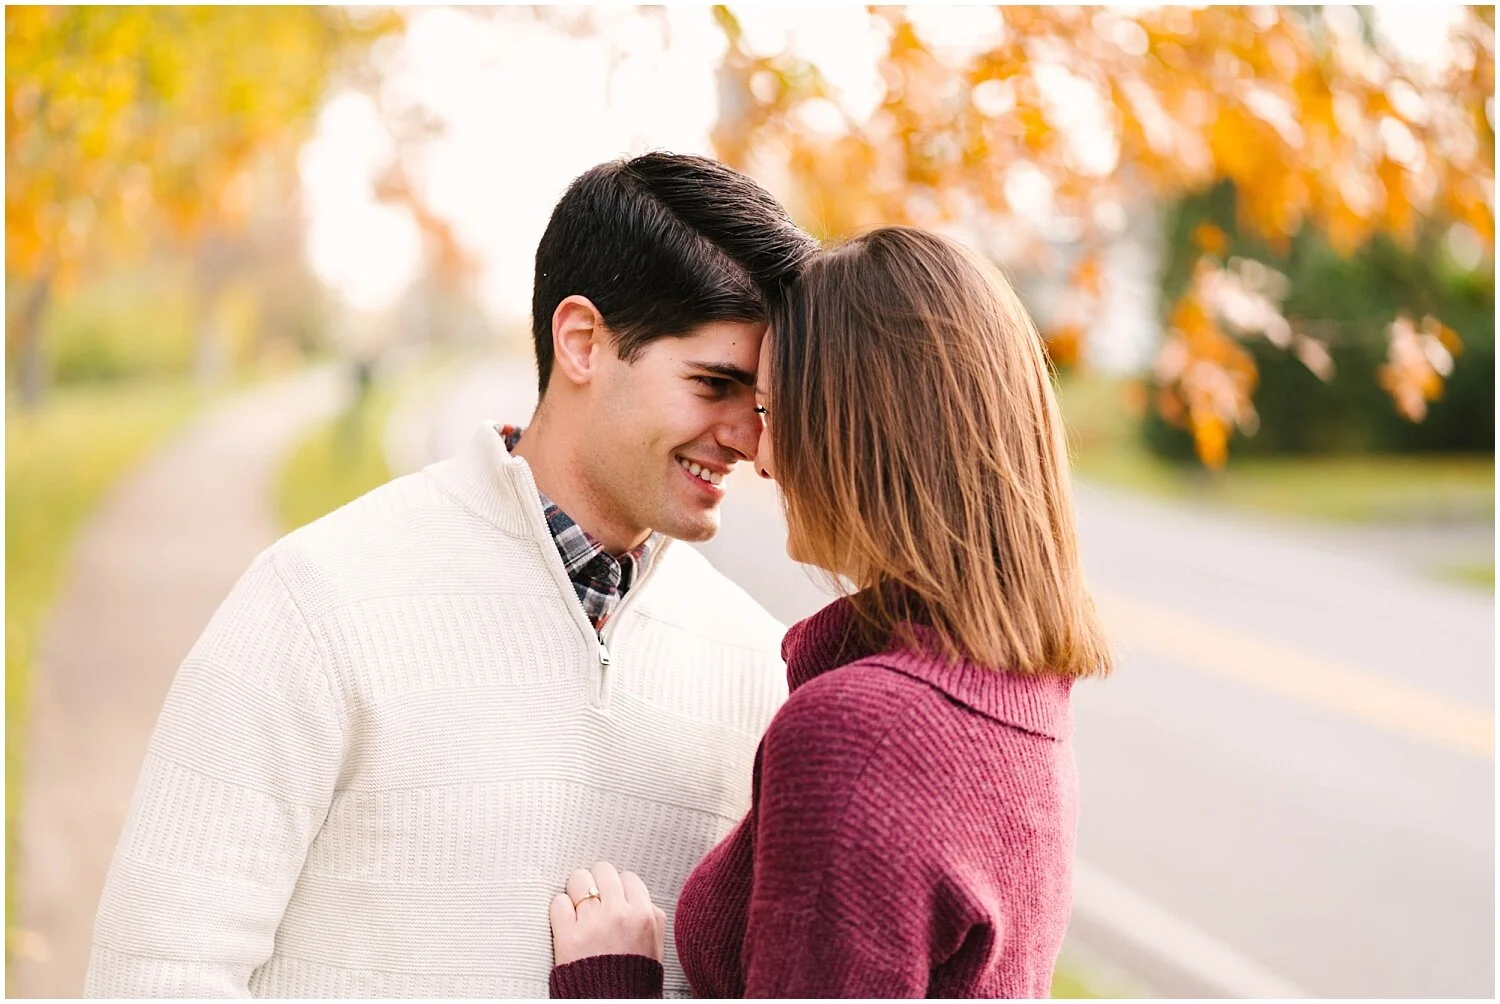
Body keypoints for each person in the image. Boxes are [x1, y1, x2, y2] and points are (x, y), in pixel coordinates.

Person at [85, 152, 818, 998]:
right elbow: (159, 969)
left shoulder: (759, 664)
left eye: (759, 403)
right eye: (713, 385)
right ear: (581, 342)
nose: (747, 438)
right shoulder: (320, 598)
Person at [547, 226, 1114, 998]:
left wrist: (609, 987)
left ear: (867, 430)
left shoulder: (863, 741)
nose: (764, 459)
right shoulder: (1020, 704)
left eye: (778, 412)